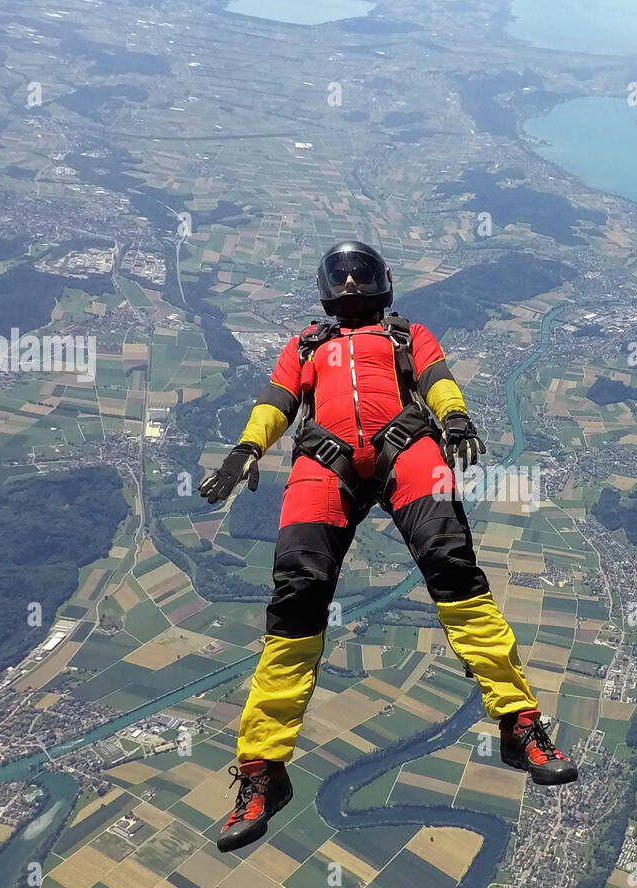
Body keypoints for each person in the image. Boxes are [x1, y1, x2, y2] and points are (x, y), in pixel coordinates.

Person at [200, 240, 577, 852]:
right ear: (328, 286)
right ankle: (262, 769)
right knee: (296, 597)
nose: (350, 285)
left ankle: (520, 724)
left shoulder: (407, 336)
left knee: (454, 571)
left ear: (380, 281)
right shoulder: (304, 346)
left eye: (360, 276)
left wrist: (452, 417)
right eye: (341, 277)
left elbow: (437, 379)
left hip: (404, 446)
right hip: (330, 457)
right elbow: (276, 402)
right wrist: (247, 446)